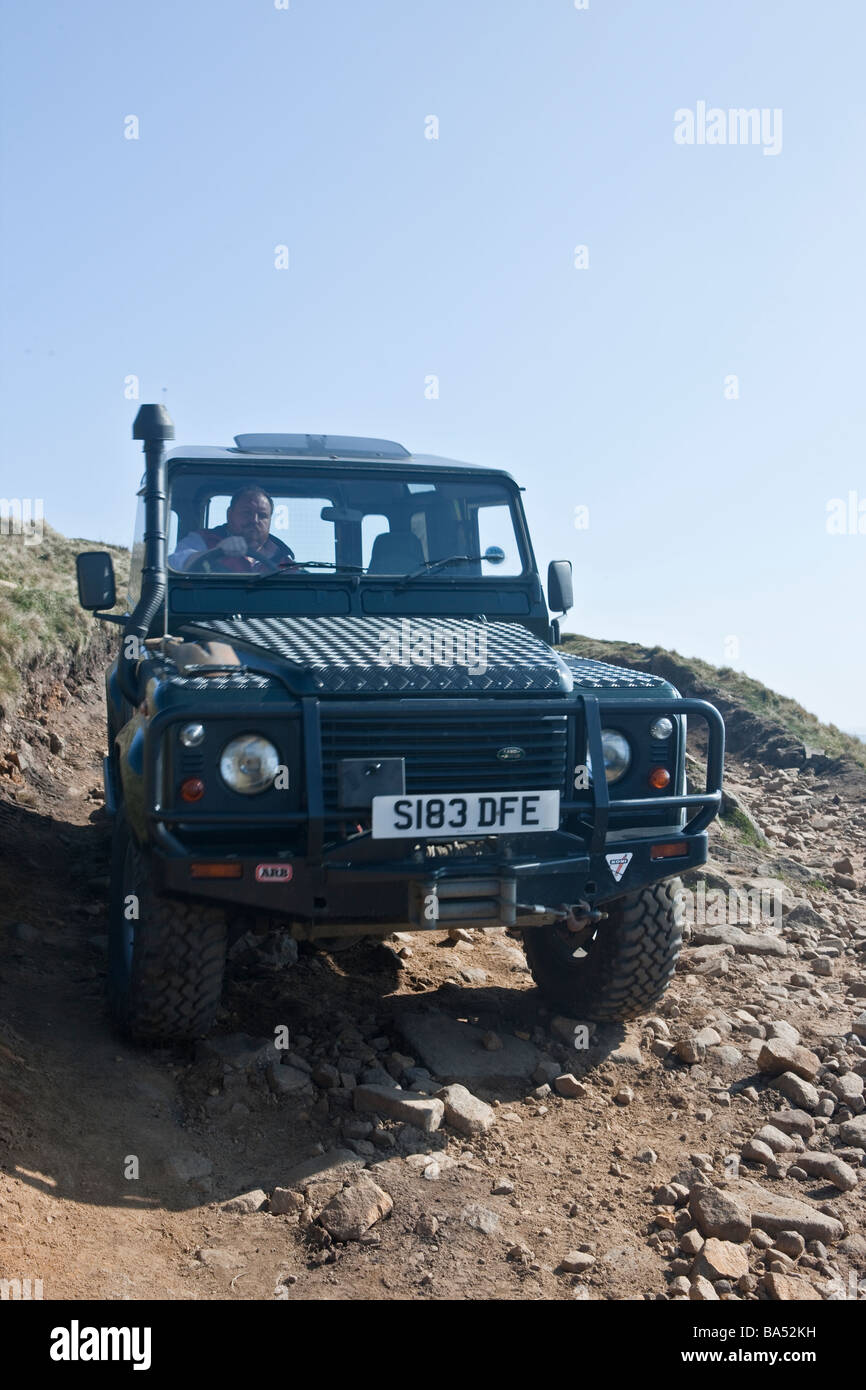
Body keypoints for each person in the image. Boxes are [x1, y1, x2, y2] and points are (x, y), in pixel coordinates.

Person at [169, 485, 297, 574]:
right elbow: (174, 564)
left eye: (262, 516)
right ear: (229, 515)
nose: (254, 520)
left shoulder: (284, 560)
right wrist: (216, 552)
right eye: (247, 513)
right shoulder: (203, 541)